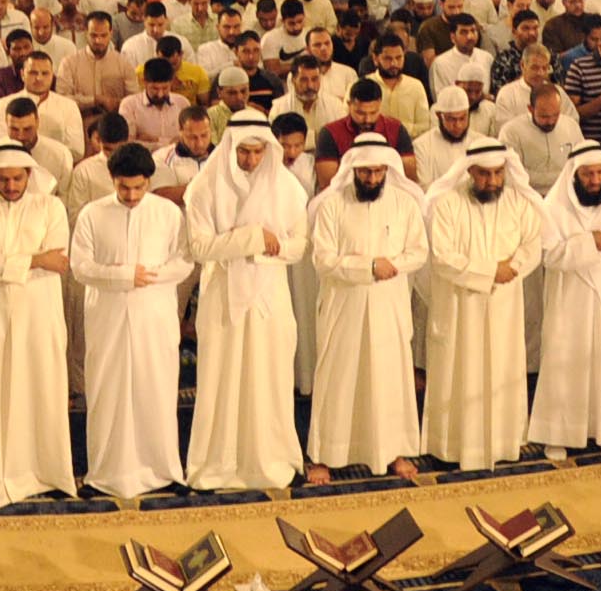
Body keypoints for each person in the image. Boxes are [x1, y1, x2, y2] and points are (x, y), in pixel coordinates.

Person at [180, 118, 305, 492]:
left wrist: (257, 246)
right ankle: (217, 465)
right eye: (244, 152)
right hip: (222, 298)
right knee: (222, 378)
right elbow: (199, 248)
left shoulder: (287, 187)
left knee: (269, 377)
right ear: (230, 148)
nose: (251, 160)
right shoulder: (204, 187)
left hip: (270, 298)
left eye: (258, 151)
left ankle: (270, 461)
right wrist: (254, 238)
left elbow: (298, 247)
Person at [0, 143, 77, 506]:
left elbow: (58, 259)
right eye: (4, 179)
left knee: (40, 386)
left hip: (39, 313)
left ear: (30, 175)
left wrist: (12, 264)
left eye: (17, 178)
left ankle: (45, 473)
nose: (11, 186)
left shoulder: (50, 206)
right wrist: (34, 259)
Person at [70, 142, 188, 497]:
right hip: (108, 317)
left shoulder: (168, 214)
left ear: (150, 181)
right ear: (112, 179)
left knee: (156, 388)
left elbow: (184, 261)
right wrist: (124, 276)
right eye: (124, 187)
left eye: (139, 187)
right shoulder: (92, 214)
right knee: (109, 390)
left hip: (155, 316)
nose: (132, 195)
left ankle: (163, 470)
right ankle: (104, 473)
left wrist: (151, 276)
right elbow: (80, 267)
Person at [304, 138, 425, 480]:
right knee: (338, 378)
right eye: (366, 172)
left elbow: (419, 252)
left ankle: (394, 452)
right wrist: (368, 267)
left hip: (389, 304)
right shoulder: (330, 206)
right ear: (353, 170)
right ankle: (325, 456)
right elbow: (323, 260)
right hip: (344, 305)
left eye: (379, 171)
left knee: (390, 378)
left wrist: (390, 265)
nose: (373, 179)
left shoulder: (404, 204)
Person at [420, 142, 542, 467]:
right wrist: (491, 271)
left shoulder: (518, 202)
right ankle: (453, 448)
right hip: (461, 307)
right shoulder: (447, 204)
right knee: (460, 371)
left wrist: (511, 268)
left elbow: (533, 244)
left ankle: (503, 442)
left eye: (498, 174)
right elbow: (443, 258)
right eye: (484, 174)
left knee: (503, 368)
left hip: (505, 303)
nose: (492, 181)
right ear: (469, 171)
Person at [530, 145, 601, 454]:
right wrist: (590, 242)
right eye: (588, 174)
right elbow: (549, 255)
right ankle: (558, 436)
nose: (595, 180)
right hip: (571, 298)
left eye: (599, 173)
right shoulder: (554, 205)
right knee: (566, 364)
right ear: (574, 176)